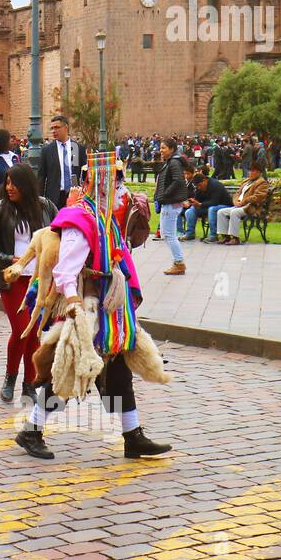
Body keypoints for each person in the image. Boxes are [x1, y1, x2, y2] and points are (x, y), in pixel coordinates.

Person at [13, 151, 173, 461]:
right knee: (72, 371)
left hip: (109, 310)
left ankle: (132, 435)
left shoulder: (103, 216)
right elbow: (64, 269)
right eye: (115, 181)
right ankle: (31, 430)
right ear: (99, 182)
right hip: (88, 307)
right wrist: (73, 304)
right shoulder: (81, 219)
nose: (121, 188)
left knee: (116, 372)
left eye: (121, 180)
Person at [0, 164, 57, 403]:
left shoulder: (45, 207)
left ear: (26, 185)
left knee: (33, 331)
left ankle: (29, 384)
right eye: (7, 182)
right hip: (12, 279)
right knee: (21, 329)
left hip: (39, 279)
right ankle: (10, 377)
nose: (9, 187)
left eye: (14, 183)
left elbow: (60, 233)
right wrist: (9, 260)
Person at [153, 139, 189, 275]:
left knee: (169, 235)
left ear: (172, 149)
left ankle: (179, 263)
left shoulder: (174, 162)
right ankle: (178, 262)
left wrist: (164, 194)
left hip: (171, 203)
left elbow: (178, 180)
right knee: (167, 234)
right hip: (169, 202)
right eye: (160, 148)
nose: (161, 150)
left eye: (164, 148)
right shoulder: (171, 162)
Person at [37, 115, 87, 210]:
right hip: (55, 197)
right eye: (52, 128)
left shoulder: (77, 148)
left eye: (57, 127)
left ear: (66, 128)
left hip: (75, 196)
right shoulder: (47, 151)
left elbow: (82, 172)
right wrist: (39, 199)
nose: (54, 131)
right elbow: (41, 177)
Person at [215, 163, 271, 245]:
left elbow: (258, 197)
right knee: (221, 212)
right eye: (250, 171)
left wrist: (243, 202)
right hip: (239, 206)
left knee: (234, 213)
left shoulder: (262, 183)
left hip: (250, 207)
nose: (250, 173)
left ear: (259, 172)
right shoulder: (246, 182)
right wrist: (236, 202)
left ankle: (235, 238)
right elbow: (237, 194)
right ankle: (225, 237)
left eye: (253, 171)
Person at [181, 170, 232, 241]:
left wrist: (200, 204)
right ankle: (190, 233)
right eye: (197, 186)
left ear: (204, 180)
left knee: (212, 209)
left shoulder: (215, 185)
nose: (198, 187)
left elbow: (215, 202)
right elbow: (198, 199)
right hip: (208, 206)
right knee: (190, 211)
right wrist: (193, 202)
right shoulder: (199, 187)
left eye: (199, 185)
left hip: (224, 206)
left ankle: (213, 235)